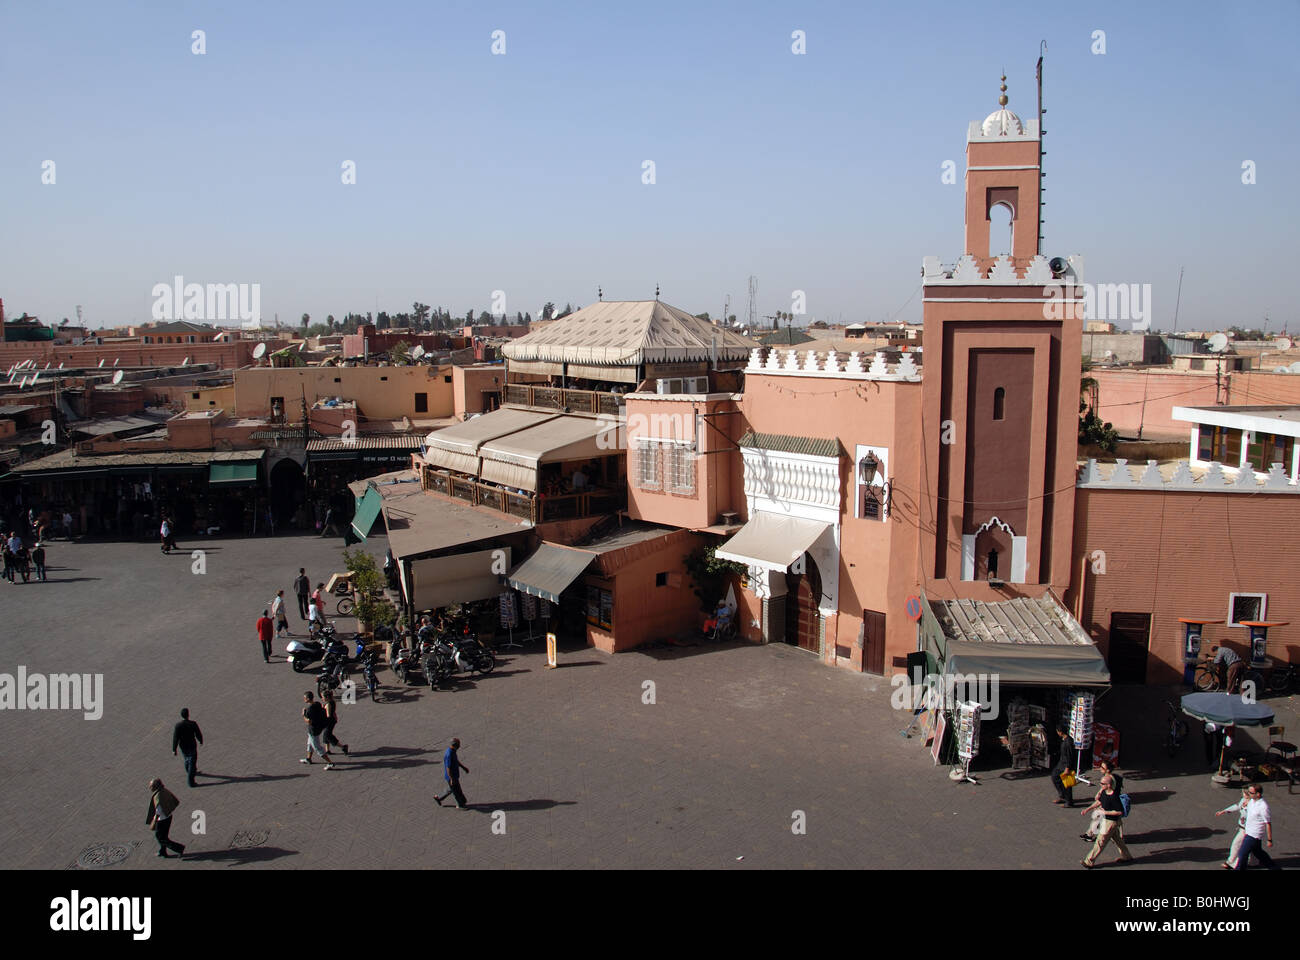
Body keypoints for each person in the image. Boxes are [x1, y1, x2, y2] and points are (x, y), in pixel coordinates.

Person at [1080, 773, 1133, 867]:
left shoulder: (1114, 797)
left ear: (1109, 785)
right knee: (1118, 840)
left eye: (1102, 783)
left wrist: (1105, 813)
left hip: (1111, 822)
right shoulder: (1104, 792)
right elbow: (1099, 802)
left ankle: (1089, 861)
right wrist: (1088, 809)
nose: (1100, 785)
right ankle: (1127, 856)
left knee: (1100, 842)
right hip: (1107, 821)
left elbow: (1119, 812)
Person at [1235, 784, 1279, 870]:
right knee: (1258, 853)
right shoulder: (1252, 801)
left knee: (1242, 854)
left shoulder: (1263, 807)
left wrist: (1269, 839)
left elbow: (1268, 823)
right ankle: (1273, 867)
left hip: (1254, 834)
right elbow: (1248, 804)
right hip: (1249, 831)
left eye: (1251, 793)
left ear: (1258, 794)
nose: (1249, 794)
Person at [1080, 759, 1123, 841]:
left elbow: (1107, 791)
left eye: (1102, 768)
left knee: (1102, 817)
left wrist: (1099, 795)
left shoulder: (1109, 779)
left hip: (1108, 802)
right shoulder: (1110, 778)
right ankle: (1090, 834)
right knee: (1100, 818)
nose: (1100, 769)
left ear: (1108, 770)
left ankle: (1091, 834)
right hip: (1108, 801)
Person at [145, 778, 186, 858]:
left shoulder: (157, 796)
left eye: (151, 786)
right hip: (168, 817)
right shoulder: (164, 790)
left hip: (162, 820)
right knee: (164, 836)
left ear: (155, 787)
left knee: (160, 838)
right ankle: (163, 852)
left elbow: (158, 811)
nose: (149, 788)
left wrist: (154, 820)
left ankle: (179, 848)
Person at [1216, 786, 1252, 869]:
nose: (1242, 794)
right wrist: (1224, 811)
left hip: (1247, 829)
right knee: (1253, 847)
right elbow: (1237, 806)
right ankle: (1253, 861)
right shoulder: (1243, 800)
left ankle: (1231, 862)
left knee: (1236, 844)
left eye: (1244, 793)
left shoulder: (1252, 805)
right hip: (1243, 827)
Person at [172, 708, 204, 788]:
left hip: (183, 746)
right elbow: (198, 733)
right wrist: (200, 740)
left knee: (186, 758)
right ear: (188, 715)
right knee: (192, 762)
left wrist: (174, 749)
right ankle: (191, 782)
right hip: (192, 745)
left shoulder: (178, 726)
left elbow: (175, 738)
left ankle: (188, 770)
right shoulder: (193, 724)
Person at [435, 737, 469, 808]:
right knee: (457, 791)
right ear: (455, 745)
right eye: (458, 745)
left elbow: (456, 761)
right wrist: (451, 779)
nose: (459, 746)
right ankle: (460, 805)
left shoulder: (452, 751)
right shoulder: (449, 754)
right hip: (452, 776)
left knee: (452, 788)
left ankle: (438, 797)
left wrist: (463, 767)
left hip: (454, 775)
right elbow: (448, 768)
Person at [1051, 724, 1076, 807]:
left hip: (1066, 765)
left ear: (1060, 732)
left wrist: (1068, 767)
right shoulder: (1064, 740)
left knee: (1067, 783)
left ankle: (1069, 801)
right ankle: (1062, 796)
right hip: (1061, 764)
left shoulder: (1068, 742)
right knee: (1055, 777)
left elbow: (1070, 755)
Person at [321, 688, 348, 755]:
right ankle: (327, 750)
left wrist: (322, 710)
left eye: (323, 697)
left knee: (328, 735)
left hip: (329, 722)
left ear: (327, 697)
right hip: (332, 720)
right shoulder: (332, 701)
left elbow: (328, 715)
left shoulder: (328, 705)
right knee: (326, 735)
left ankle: (343, 747)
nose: (322, 698)